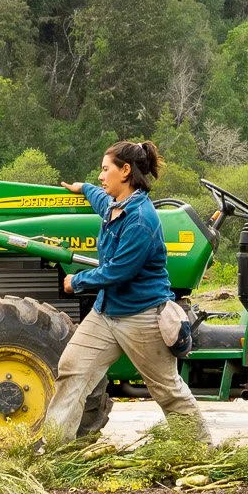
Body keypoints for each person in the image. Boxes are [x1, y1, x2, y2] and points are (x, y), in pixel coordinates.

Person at [46, 140, 210, 441]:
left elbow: (119, 271)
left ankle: (200, 450)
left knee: (167, 390)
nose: (100, 176)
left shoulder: (140, 219)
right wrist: (83, 188)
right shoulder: (116, 205)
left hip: (143, 317)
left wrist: (76, 282)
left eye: (104, 169)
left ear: (125, 171)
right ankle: (56, 449)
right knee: (72, 371)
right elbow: (101, 201)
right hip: (106, 313)